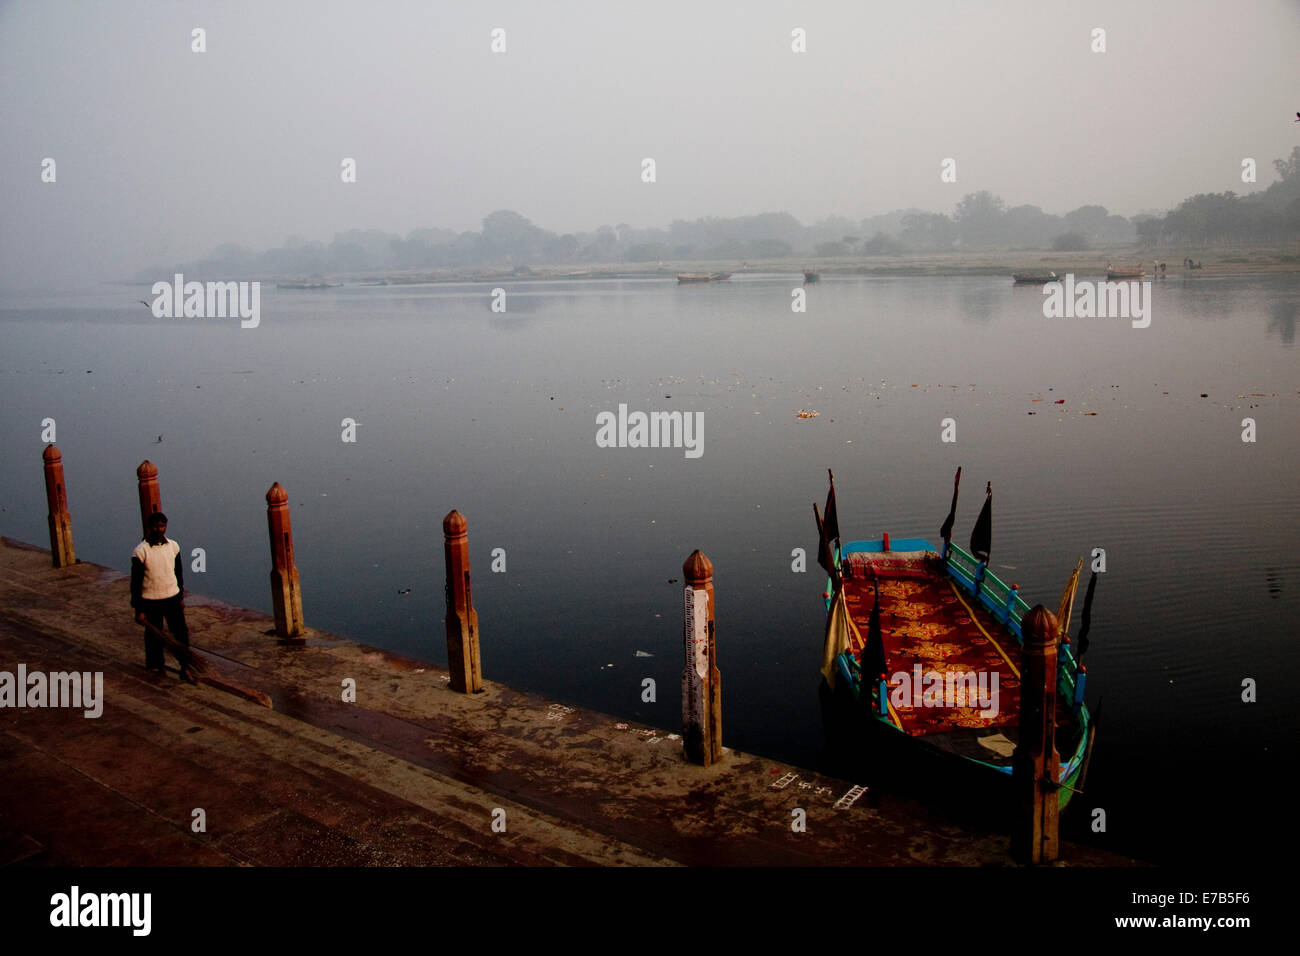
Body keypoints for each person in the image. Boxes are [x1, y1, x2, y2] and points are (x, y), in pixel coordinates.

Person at [130, 512, 195, 682]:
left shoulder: (173, 546)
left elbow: (178, 573)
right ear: (149, 528)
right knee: (154, 636)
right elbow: (136, 583)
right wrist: (139, 609)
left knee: (180, 634)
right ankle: (156, 667)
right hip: (151, 600)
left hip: (171, 597)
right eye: (156, 526)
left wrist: (180, 596)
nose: (159, 529)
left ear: (165, 527)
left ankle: (185, 667)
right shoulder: (140, 552)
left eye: (162, 526)